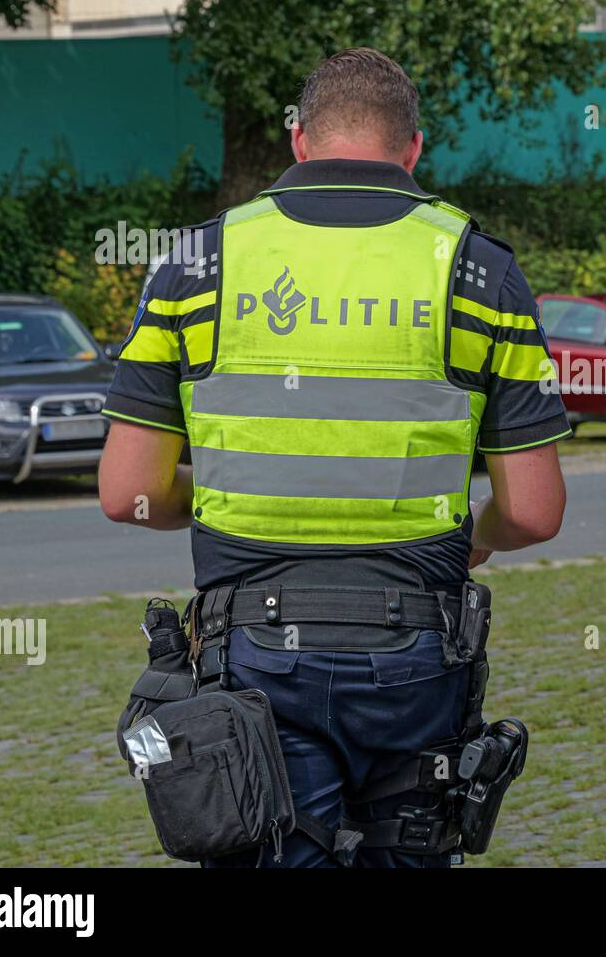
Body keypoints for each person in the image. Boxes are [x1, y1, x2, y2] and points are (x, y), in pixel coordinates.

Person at [99, 47, 570, 867]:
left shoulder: (196, 263)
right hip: (416, 658)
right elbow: (534, 508)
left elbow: (126, 491)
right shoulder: (476, 269)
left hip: (254, 659)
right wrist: (478, 528)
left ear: (299, 142)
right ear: (415, 149)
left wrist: (221, 488)